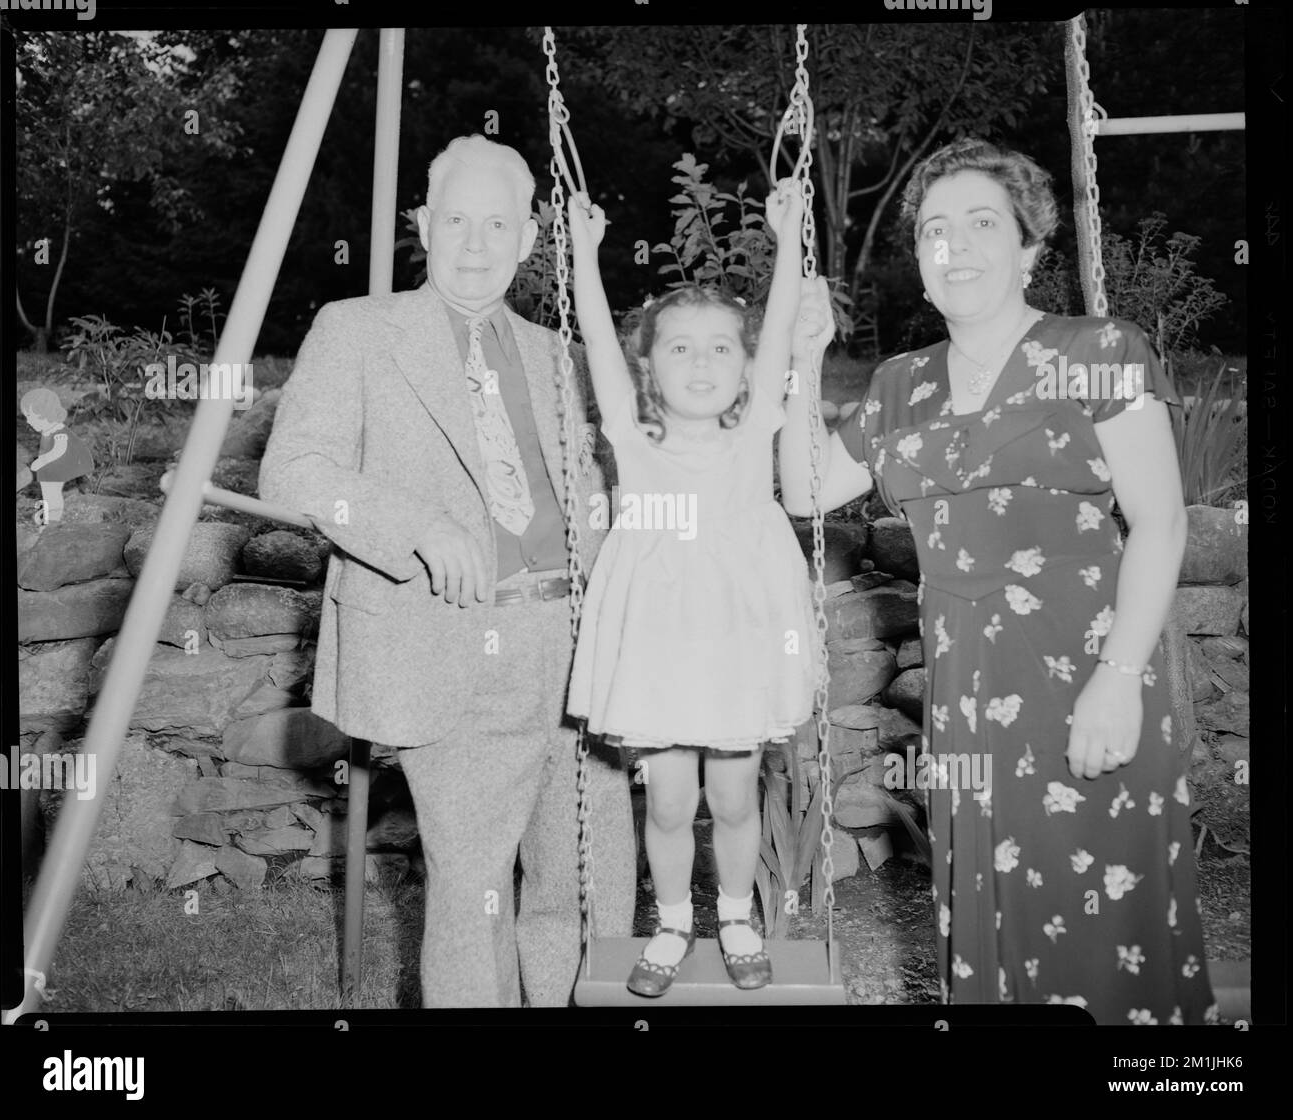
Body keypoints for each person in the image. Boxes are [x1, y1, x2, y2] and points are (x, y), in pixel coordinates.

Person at [781, 137, 1217, 1024]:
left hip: (1091, 676)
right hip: (968, 697)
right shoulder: (901, 385)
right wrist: (803, 360)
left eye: (983, 223)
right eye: (935, 232)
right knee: (991, 914)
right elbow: (804, 488)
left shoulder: (1100, 349)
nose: (957, 246)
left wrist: (1121, 680)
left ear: (1029, 248)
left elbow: (1162, 522)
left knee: (1106, 917)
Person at [259, 134, 636, 1008]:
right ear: (423, 224)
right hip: (456, 641)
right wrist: (420, 525)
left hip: (579, 647)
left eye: (497, 223)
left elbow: (598, 489)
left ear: (529, 234)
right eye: (456, 219)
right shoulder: (355, 330)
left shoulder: (555, 354)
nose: (475, 242)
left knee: (586, 881)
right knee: (476, 894)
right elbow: (295, 471)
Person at [564, 181, 816, 996]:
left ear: (746, 372)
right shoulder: (634, 448)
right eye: (679, 347)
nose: (701, 362)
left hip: (736, 642)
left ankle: (736, 917)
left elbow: (779, 336)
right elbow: (599, 348)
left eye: (720, 349)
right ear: (648, 368)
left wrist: (789, 239)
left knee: (735, 795)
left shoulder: (751, 443)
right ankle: (673, 924)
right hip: (661, 650)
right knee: (670, 803)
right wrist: (583, 258)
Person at [22, 387, 94, 524]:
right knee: (47, 491)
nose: (28, 421)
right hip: (55, 468)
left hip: (66, 466)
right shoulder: (47, 430)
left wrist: (42, 461)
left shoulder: (58, 431)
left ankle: (51, 520)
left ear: (44, 414)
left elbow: (59, 451)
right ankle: (47, 519)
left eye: (30, 416)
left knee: (51, 493)